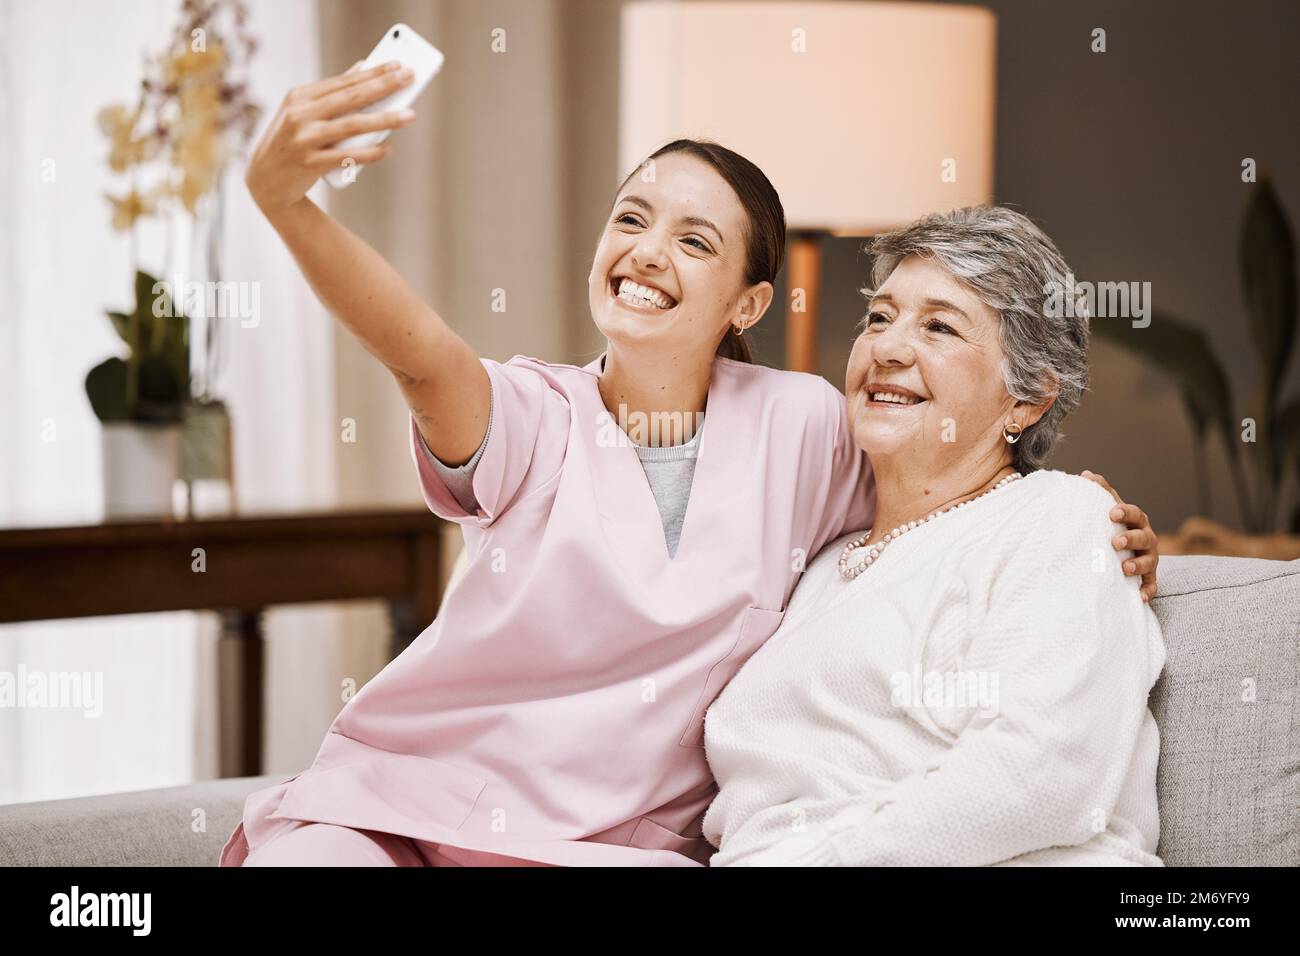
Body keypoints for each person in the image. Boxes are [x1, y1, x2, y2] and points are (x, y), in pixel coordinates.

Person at [221, 62, 1158, 866]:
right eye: (632, 217)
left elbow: (964, 499)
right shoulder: (540, 417)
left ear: (750, 303)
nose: (647, 251)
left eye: (694, 239)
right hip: (405, 806)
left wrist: (1091, 515)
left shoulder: (811, 432)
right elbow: (422, 353)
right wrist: (287, 206)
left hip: (608, 848)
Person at [703, 207, 1165, 866]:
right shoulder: (823, 556)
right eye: (880, 318)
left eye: (939, 327)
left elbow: (1036, 778)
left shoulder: (1062, 520)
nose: (888, 347)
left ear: (1028, 398)